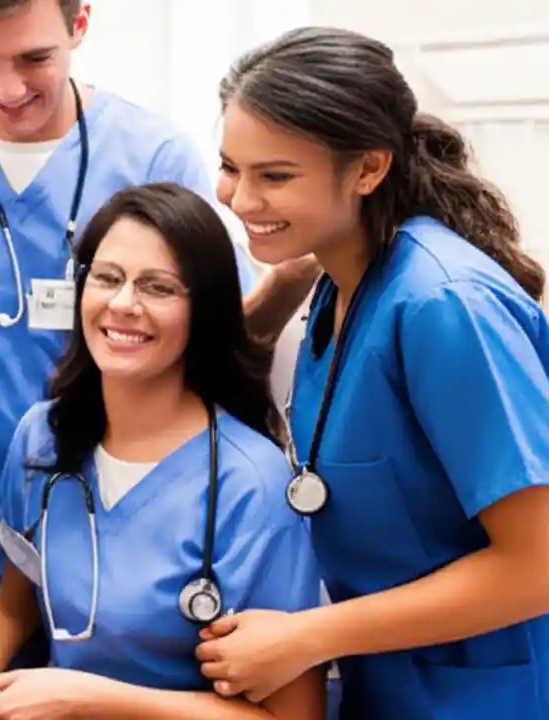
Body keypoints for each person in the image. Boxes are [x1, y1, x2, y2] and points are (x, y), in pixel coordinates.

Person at [0, 0, 263, 698]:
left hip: (124, 521)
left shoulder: (152, 154)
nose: (9, 89)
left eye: (34, 59)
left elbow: (216, 317)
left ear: (80, 24)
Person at [196, 26, 549, 719]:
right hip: (390, 683)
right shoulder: (343, 269)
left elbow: (539, 564)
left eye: (275, 176)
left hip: (488, 695)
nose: (238, 200)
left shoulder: (442, 307)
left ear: (368, 170)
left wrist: (305, 638)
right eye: (232, 166)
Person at [0, 183, 324, 719]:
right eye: (106, 278)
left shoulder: (253, 484)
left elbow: (293, 717)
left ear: (205, 311)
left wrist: (86, 699)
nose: (123, 304)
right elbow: (15, 610)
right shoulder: (44, 437)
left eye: (158, 287)